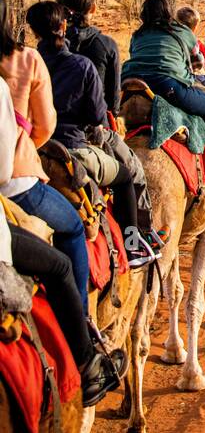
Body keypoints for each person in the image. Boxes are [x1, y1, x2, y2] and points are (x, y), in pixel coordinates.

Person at [0, 76, 125, 406]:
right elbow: (99, 109)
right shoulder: (36, 63)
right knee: (69, 238)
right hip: (46, 159)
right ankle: (86, 356)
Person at [25, 1, 164, 266]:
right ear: (64, 26)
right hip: (72, 148)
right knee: (123, 178)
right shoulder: (81, 66)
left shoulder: (27, 63)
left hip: (33, 150)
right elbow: (97, 117)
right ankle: (132, 246)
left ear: (34, 31)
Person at [0, 0, 91, 310]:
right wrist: (24, 147)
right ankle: (81, 325)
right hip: (16, 182)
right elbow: (45, 125)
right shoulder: (27, 60)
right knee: (73, 227)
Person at [123, 0, 205, 178]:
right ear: (167, 12)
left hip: (132, 85)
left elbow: (136, 56)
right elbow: (197, 64)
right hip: (168, 87)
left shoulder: (137, 35)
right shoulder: (182, 32)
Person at [57, 0, 122, 116]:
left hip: (53, 125)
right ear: (93, 8)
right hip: (94, 124)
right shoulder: (107, 45)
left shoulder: (47, 45)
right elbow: (113, 99)